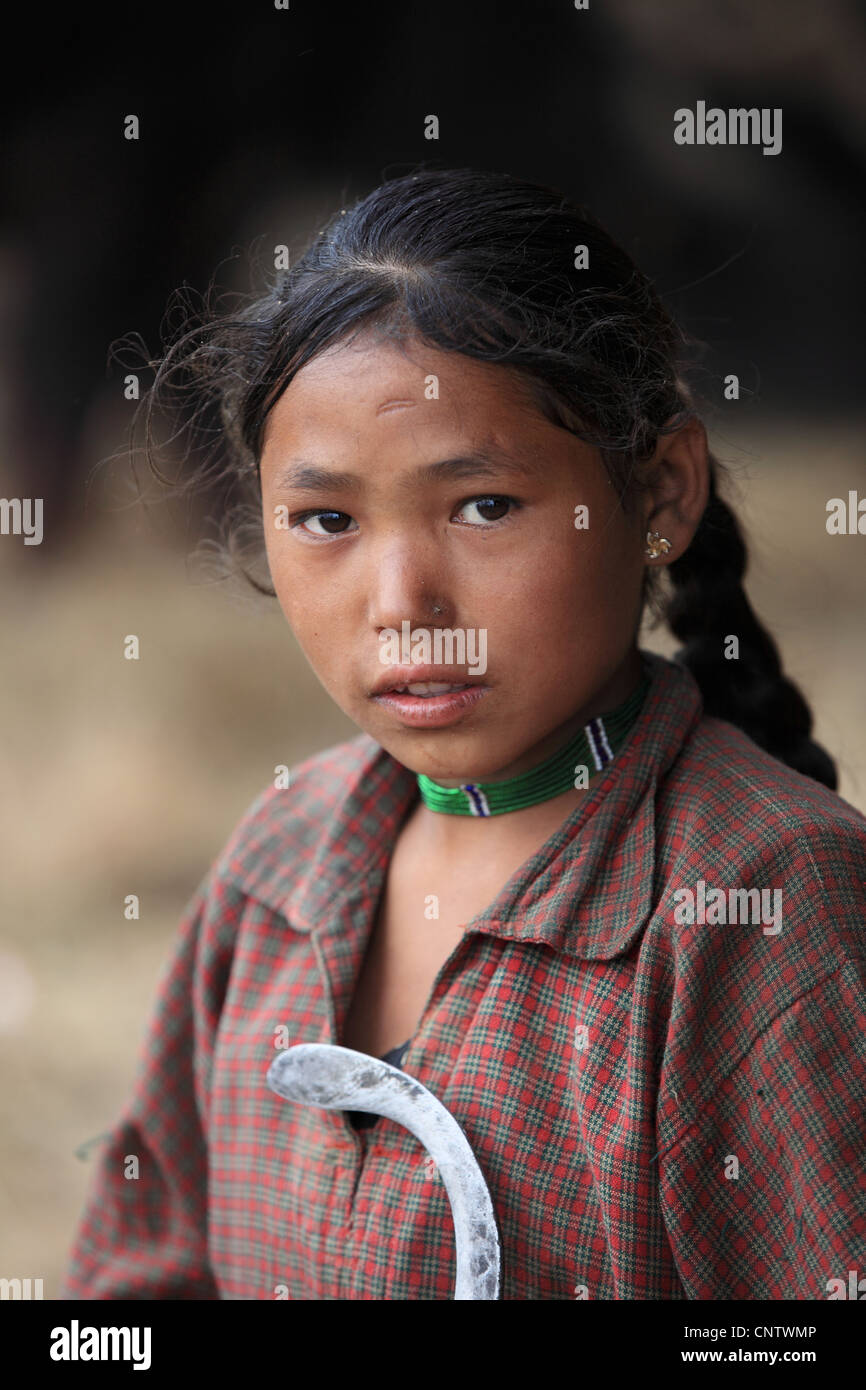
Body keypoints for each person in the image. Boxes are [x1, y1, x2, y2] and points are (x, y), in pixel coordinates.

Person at [62, 166, 866, 1300]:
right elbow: (133, 1291)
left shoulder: (756, 897)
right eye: (326, 520)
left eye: (482, 505)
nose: (401, 599)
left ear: (662, 494)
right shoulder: (281, 860)